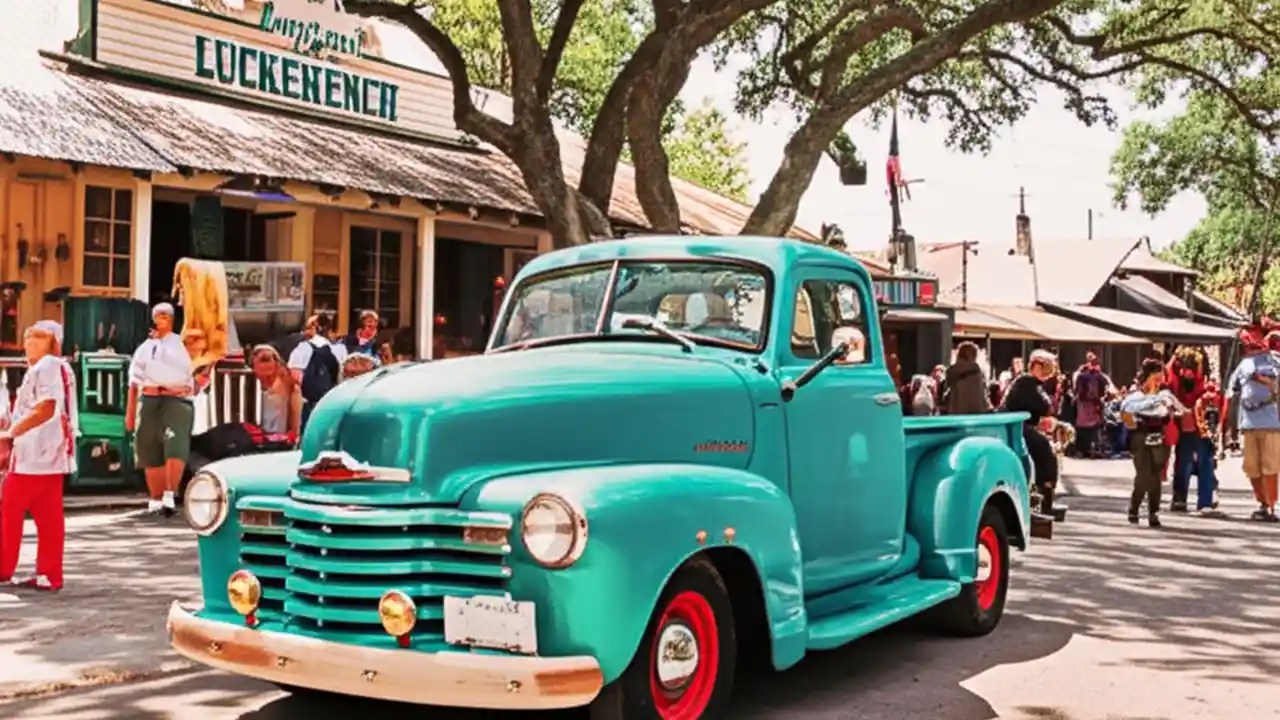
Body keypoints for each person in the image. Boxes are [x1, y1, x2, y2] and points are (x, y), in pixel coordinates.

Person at [0, 320, 77, 590]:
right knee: (49, 519)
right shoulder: (61, 368)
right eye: (27, 336)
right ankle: (49, 574)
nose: (28, 342)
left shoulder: (47, 367)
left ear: (53, 342)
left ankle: (4, 567)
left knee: (9, 512)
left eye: (37, 337)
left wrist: (11, 433)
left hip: (33, 455)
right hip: (52, 456)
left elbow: (47, 407)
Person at [126, 303, 194, 518]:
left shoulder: (184, 344)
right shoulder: (145, 347)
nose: (161, 318)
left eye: (166, 315)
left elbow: (201, 365)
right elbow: (134, 382)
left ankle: (169, 494)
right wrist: (130, 414)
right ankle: (155, 498)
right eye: (158, 315)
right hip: (150, 397)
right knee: (149, 447)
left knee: (175, 445)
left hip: (176, 399)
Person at [1121, 357, 1185, 528]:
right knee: (1143, 475)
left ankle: (1153, 512)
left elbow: (1171, 412)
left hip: (1159, 436)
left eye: (1161, 375)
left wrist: (1169, 413)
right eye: (1156, 375)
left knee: (1156, 476)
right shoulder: (1136, 393)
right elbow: (1127, 414)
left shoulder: (1165, 393)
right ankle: (1134, 508)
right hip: (1140, 437)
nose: (1159, 378)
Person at [1226, 324, 1280, 522]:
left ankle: (1272, 505)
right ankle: (1262, 503)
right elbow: (1232, 390)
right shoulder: (1243, 364)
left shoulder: (1275, 362)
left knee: (1271, 466)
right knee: (1252, 467)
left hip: (1272, 423)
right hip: (1248, 423)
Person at [1001, 349, 1060, 516]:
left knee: (1047, 452)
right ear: (1034, 366)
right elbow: (1034, 407)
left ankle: (1045, 497)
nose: (1048, 373)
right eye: (1045, 367)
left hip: (1024, 426)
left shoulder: (1032, 384)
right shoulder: (1025, 383)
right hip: (1018, 428)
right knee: (1044, 452)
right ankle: (1042, 498)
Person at [1167, 346, 1209, 512]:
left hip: (1199, 424)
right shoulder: (1176, 377)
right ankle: (1182, 498)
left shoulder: (1197, 377)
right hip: (1185, 425)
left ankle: (1203, 498)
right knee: (1185, 462)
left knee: (1201, 462)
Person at [288, 314, 346, 432]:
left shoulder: (302, 348)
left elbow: (295, 379)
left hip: (309, 405)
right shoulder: (341, 349)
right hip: (334, 404)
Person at [250, 345, 301, 439]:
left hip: (280, 442)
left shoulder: (291, 387)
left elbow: (295, 426)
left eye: (267, 360)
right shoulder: (250, 386)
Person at [1194, 380, 1226, 517]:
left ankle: (1206, 499)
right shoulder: (1211, 397)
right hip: (1199, 428)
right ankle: (1206, 500)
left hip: (1198, 427)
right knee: (1204, 463)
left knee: (1205, 463)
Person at [1072, 352, 1110, 458]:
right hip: (1088, 404)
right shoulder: (1091, 375)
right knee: (1090, 426)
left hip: (1087, 404)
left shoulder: (1084, 374)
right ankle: (1090, 448)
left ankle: (1087, 448)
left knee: (1087, 426)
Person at [945, 342, 991, 414]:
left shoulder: (952, 373)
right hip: (976, 415)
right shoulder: (977, 373)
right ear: (973, 356)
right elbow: (981, 400)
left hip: (956, 414)